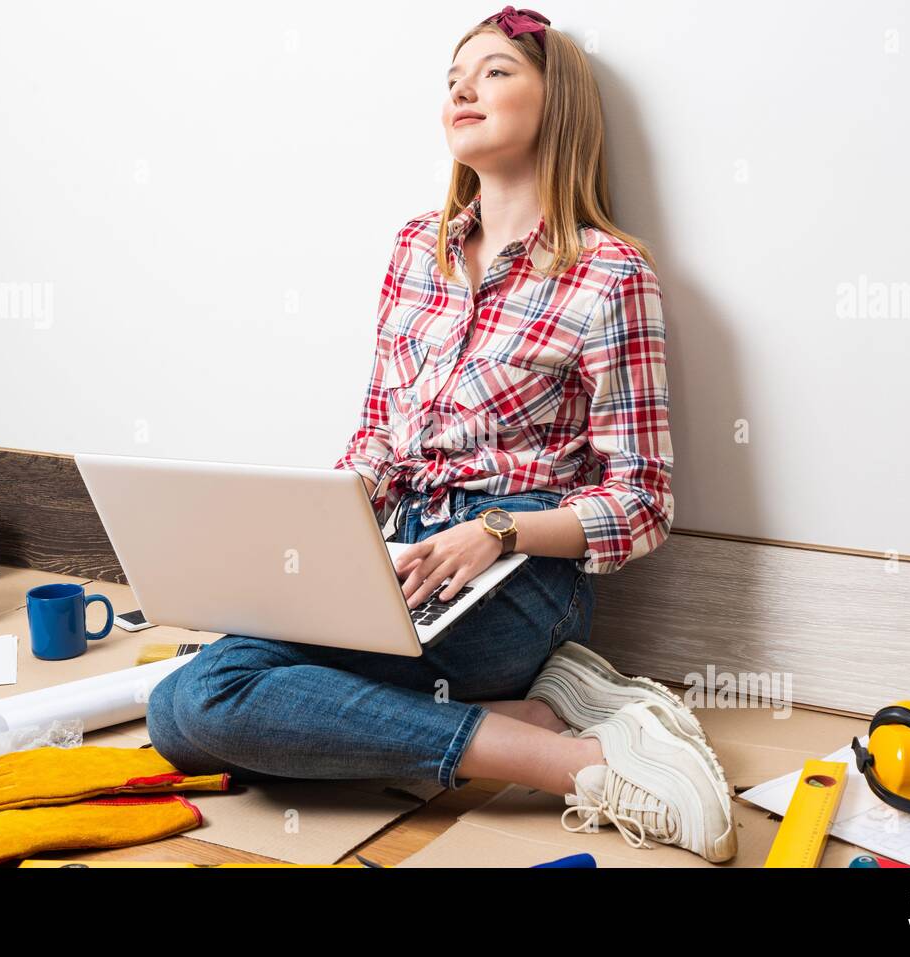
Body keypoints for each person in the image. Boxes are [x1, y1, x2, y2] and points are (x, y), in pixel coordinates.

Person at [147, 7, 735, 862]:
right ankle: (513, 720)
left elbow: (641, 501)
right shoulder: (414, 251)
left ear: (557, 100)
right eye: (454, 75)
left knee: (217, 699)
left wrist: (494, 529)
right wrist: (316, 541)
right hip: (396, 552)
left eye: (495, 71)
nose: (463, 87)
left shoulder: (611, 274)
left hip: (522, 571)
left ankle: (589, 766)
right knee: (180, 709)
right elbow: (380, 438)